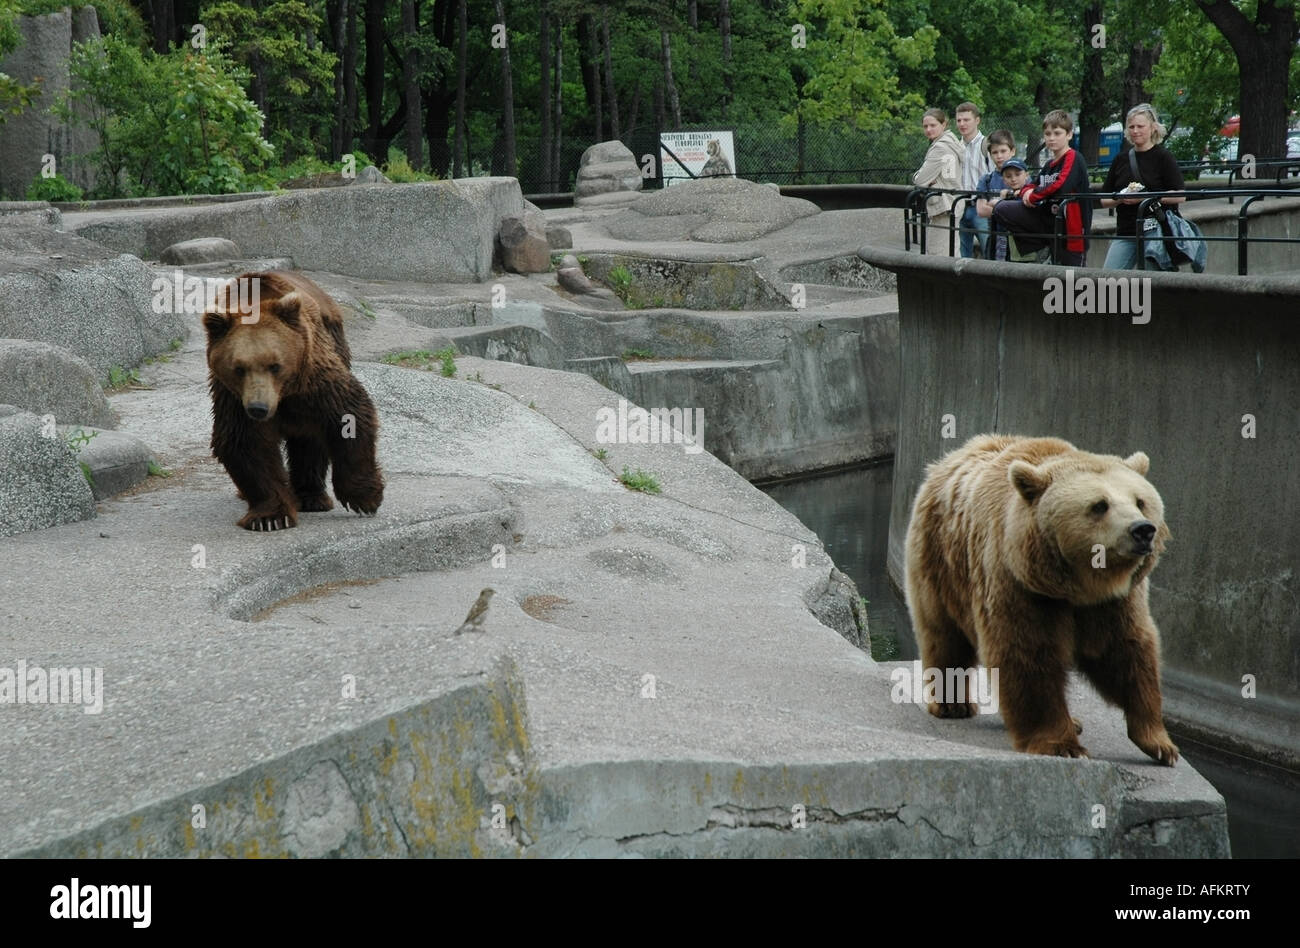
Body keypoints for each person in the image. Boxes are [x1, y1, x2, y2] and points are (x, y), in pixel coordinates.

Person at [993, 110, 1092, 266]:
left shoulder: (1073, 157)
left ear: (1069, 135)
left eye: (1057, 133)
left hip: (1071, 229)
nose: (1051, 138)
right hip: (1050, 225)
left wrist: (1032, 196)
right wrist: (1027, 192)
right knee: (1001, 209)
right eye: (1047, 134)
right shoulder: (1048, 165)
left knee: (1072, 278)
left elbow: (1062, 185)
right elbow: (1032, 185)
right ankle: (1039, 245)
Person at [1099, 103, 1186, 269]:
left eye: (1140, 126)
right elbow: (1104, 199)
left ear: (1153, 128)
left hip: (1155, 230)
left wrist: (1146, 197)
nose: (1135, 131)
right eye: (1131, 127)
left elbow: (1180, 195)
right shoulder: (1121, 159)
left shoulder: (1163, 157)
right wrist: (1120, 198)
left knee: (1151, 282)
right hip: (1126, 231)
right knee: (1108, 278)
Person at [912, 107, 965, 256]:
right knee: (951, 250)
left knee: (939, 253)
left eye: (933, 125)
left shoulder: (940, 148)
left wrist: (917, 176)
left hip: (944, 205)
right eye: (925, 126)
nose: (928, 130)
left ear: (944, 124)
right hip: (953, 201)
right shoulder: (952, 143)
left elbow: (920, 180)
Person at [955, 102, 995, 258]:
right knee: (961, 255)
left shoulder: (987, 145)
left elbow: (995, 175)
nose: (962, 124)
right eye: (959, 120)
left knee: (989, 250)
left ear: (977, 120)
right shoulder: (956, 146)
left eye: (966, 120)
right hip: (959, 206)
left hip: (981, 208)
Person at [975, 129, 1016, 257]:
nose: (999, 156)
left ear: (1012, 151)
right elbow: (981, 210)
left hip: (1017, 238)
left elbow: (1023, 210)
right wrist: (1008, 208)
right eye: (995, 152)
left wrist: (995, 205)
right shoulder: (986, 179)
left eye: (1003, 151)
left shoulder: (1022, 178)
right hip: (994, 236)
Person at [981, 158, 1029, 261]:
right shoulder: (1007, 194)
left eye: (1017, 174)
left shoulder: (1030, 193)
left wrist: (1000, 203)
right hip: (1004, 238)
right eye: (1008, 176)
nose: (1013, 179)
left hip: (1026, 241)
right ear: (1004, 179)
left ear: (1026, 175)